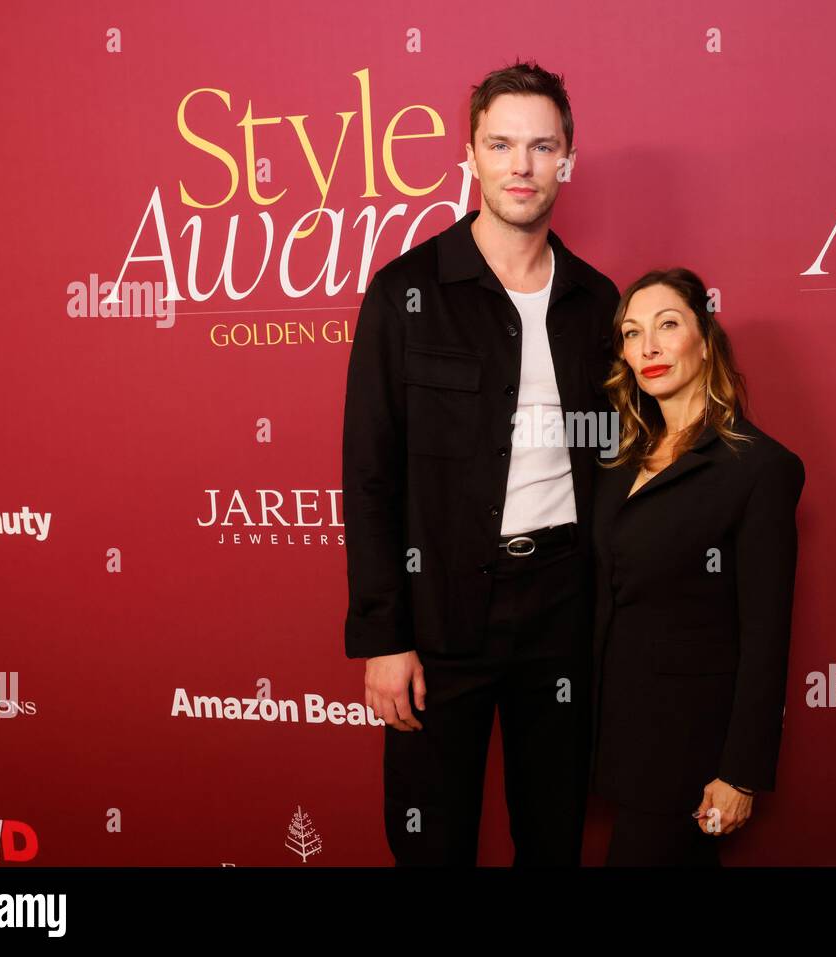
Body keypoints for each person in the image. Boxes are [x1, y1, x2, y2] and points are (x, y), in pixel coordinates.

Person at [341, 60, 620, 865]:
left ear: (568, 158)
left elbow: (614, 458)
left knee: (553, 836)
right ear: (470, 154)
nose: (521, 166)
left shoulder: (599, 304)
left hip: (564, 613)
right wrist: (383, 638)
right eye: (501, 144)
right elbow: (369, 476)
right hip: (440, 617)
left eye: (541, 146)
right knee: (431, 843)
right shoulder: (405, 292)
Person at [589, 268, 805, 866]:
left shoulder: (759, 468)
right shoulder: (618, 461)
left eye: (667, 325)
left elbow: (766, 633)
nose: (648, 347)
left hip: (688, 750)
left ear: (706, 340)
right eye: (632, 334)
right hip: (613, 737)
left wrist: (740, 773)